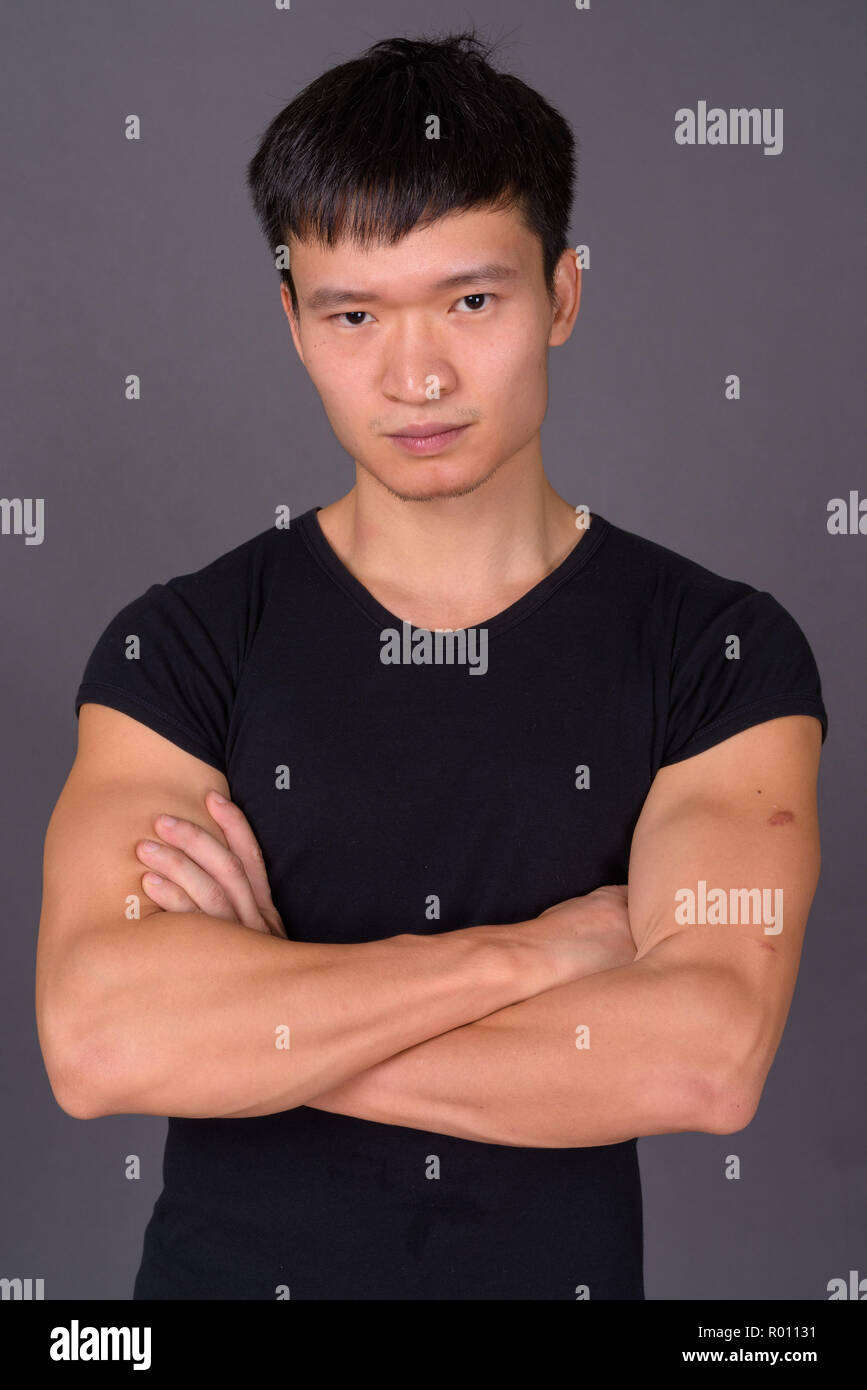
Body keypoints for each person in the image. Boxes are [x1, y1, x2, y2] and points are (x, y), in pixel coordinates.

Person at [35, 30, 827, 1300]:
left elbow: (703, 1059)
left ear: (563, 293)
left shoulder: (717, 650)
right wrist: (519, 962)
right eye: (354, 313)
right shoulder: (178, 644)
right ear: (293, 320)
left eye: (472, 300)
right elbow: (98, 1039)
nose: (417, 375)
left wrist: (266, 1014)